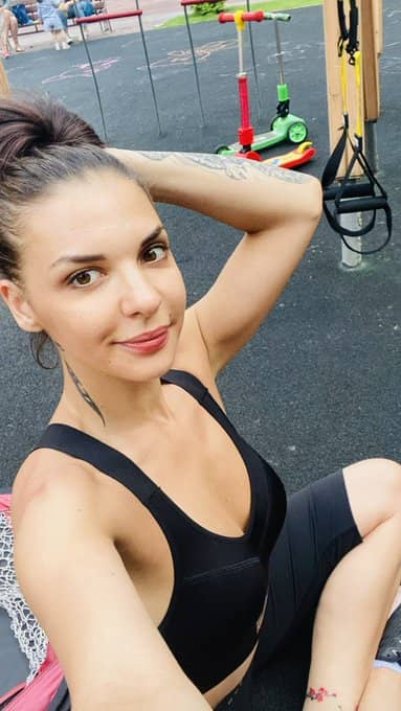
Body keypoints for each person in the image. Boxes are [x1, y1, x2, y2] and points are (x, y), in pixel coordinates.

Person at [0, 93, 400, 711]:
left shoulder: (186, 356)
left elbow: (296, 202)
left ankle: (329, 697)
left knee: (388, 486)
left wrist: (98, 166)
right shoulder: (62, 505)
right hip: (209, 693)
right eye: (85, 276)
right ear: (22, 303)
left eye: (151, 251)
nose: (145, 300)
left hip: (256, 617)